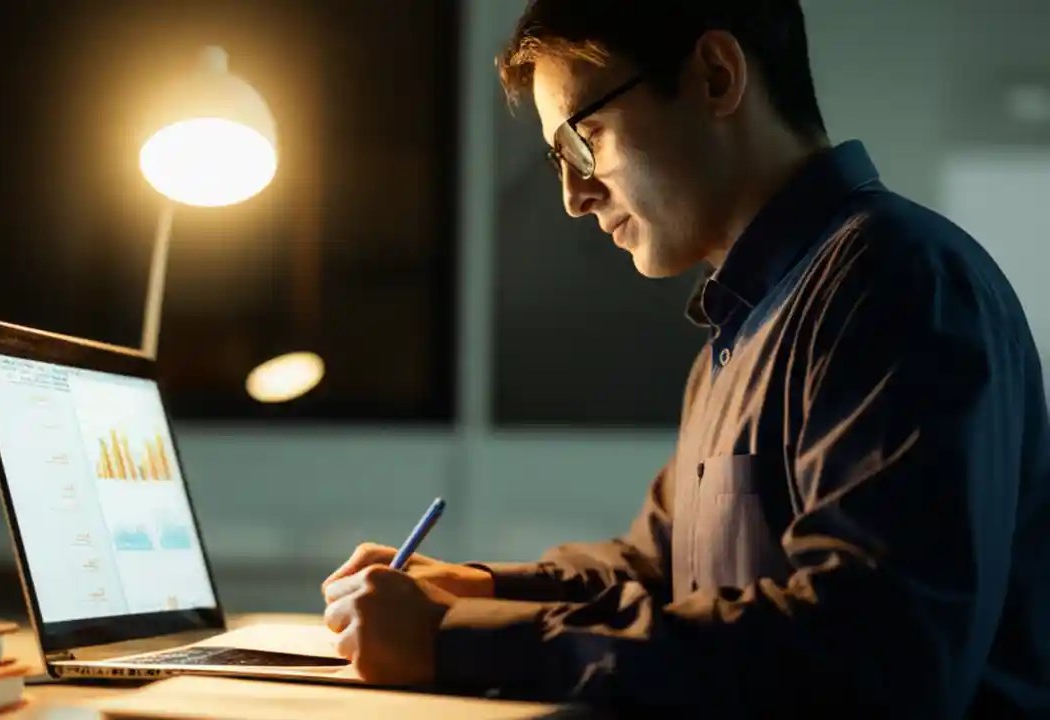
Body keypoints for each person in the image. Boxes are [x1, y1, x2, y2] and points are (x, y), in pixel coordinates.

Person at [321, 0, 1050, 716]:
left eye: (586, 138)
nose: (574, 195)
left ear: (714, 76)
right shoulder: (744, 327)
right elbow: (664, 572)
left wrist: (456, 639)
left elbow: (877, 654)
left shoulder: (895, 283)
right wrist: (472, 589)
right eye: (558, 158)